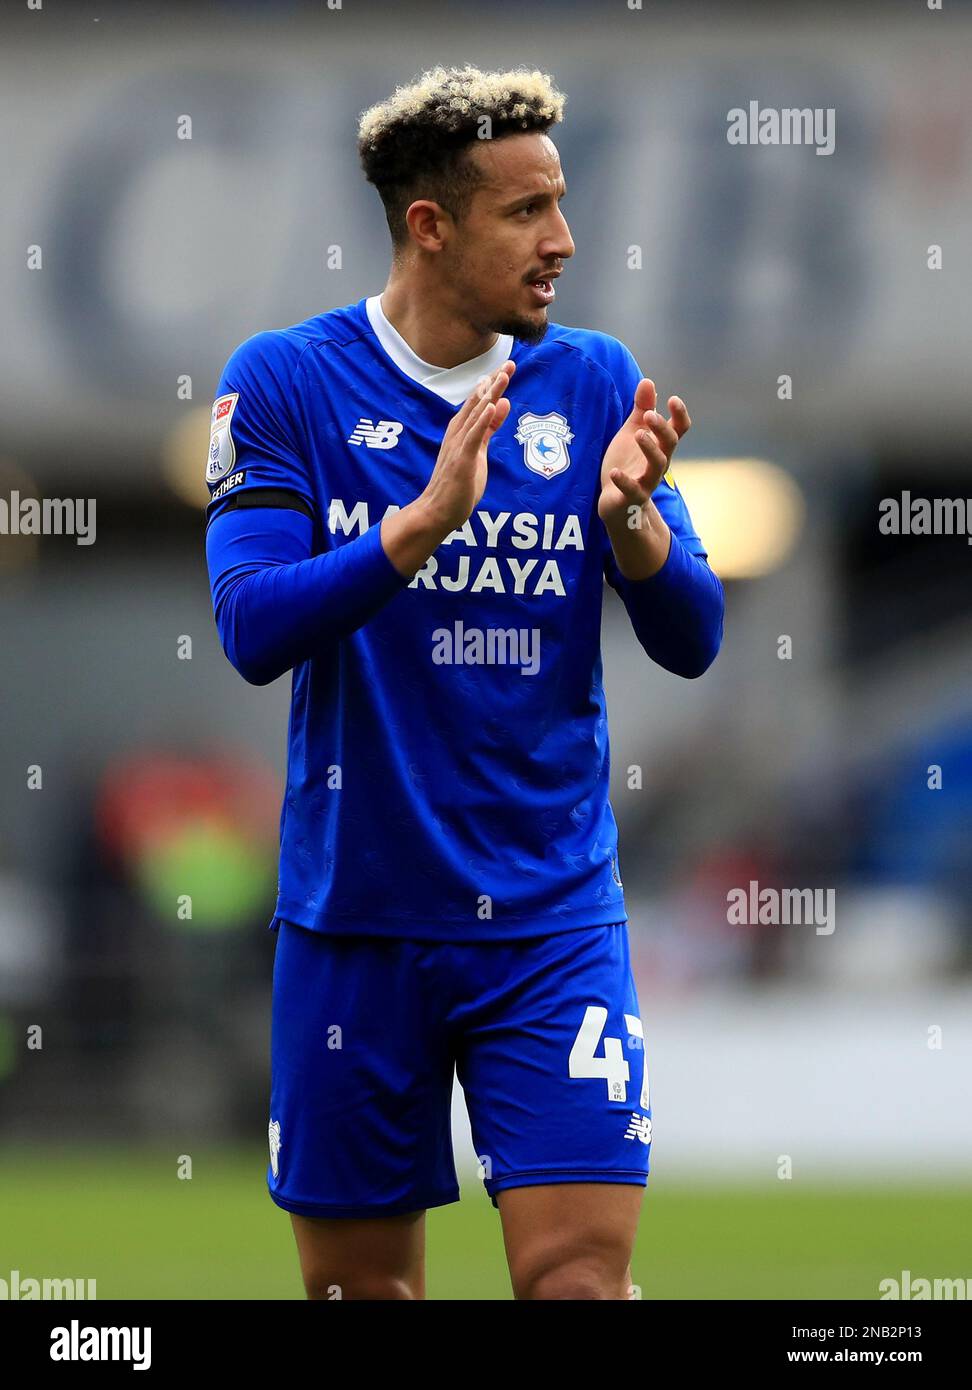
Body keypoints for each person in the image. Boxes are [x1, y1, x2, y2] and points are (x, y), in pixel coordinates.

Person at [205, 63, 724, 1301]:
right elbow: (249, 625)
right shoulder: (286, 383)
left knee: (580, 1286)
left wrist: (638, 527)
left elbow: (693, 632)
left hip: (550, 920)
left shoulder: (596, 379)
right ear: (428, 226)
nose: (565, 239)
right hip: (356, 927)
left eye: (562, 202)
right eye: (527, 211)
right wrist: (418, 526)